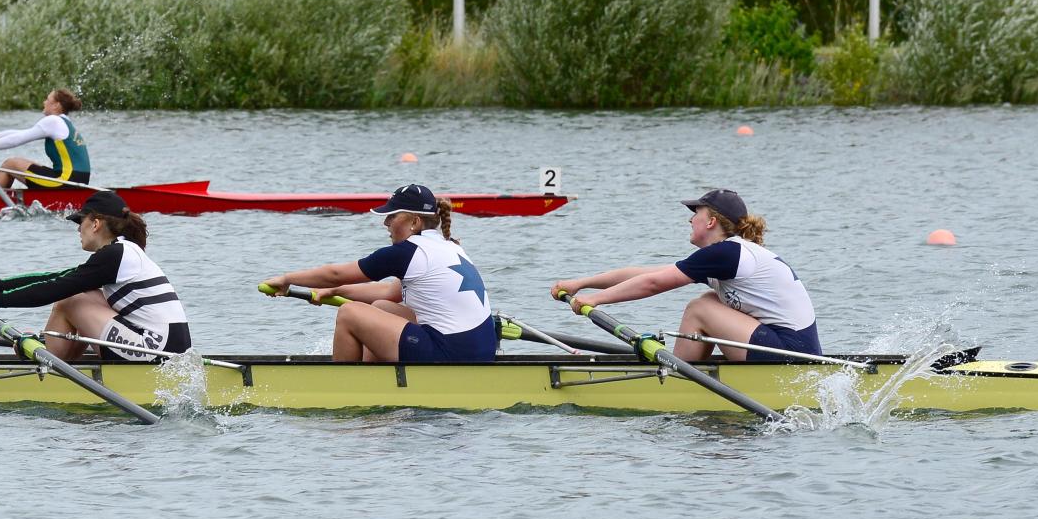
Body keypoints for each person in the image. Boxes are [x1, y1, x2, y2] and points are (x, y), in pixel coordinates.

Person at [550, 188, 820, 363]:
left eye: (696, 214)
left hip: (792, 356)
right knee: (710, 299)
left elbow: (653, 284)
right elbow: (645, 273)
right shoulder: (727, 256)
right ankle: (688, 371)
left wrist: (596, 300)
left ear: (711, 221)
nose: (690, 221)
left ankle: (677, 380)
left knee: (700, 308)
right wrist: (581, 283)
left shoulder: (726, 253)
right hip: (789, 352)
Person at [261, 184, 496, 363]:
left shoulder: (408, 252)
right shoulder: (449, 246)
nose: (385, 222)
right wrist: (335, 291)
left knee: (350, 312)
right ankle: (378, 380)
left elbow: (335, 273)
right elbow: (388, 291)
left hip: (451, 354)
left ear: (414, 221)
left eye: (392, 216)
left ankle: (343, 389)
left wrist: (286, 279)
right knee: (382, 307)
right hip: (480, 351)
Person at [0, 191, 190, 363]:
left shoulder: (116, 254)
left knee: (69, 300)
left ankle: (47, 361)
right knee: (85, 294)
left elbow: (54, 289)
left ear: (95, 224)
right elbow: (55, 277)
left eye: (80, 221)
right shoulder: (123, 252)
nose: (77, 228)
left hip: (157, 351)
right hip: (169, 348)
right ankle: (57, 356)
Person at [0, 88, 91, 189]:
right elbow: (18, 133)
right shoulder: (63, 122)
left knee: (9, 165)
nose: (44, 102)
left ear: (56, 105)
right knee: (18, 165)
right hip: (78, 180)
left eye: (47, 99)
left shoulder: (53, 121)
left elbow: (17, 139)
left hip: (67, 180)